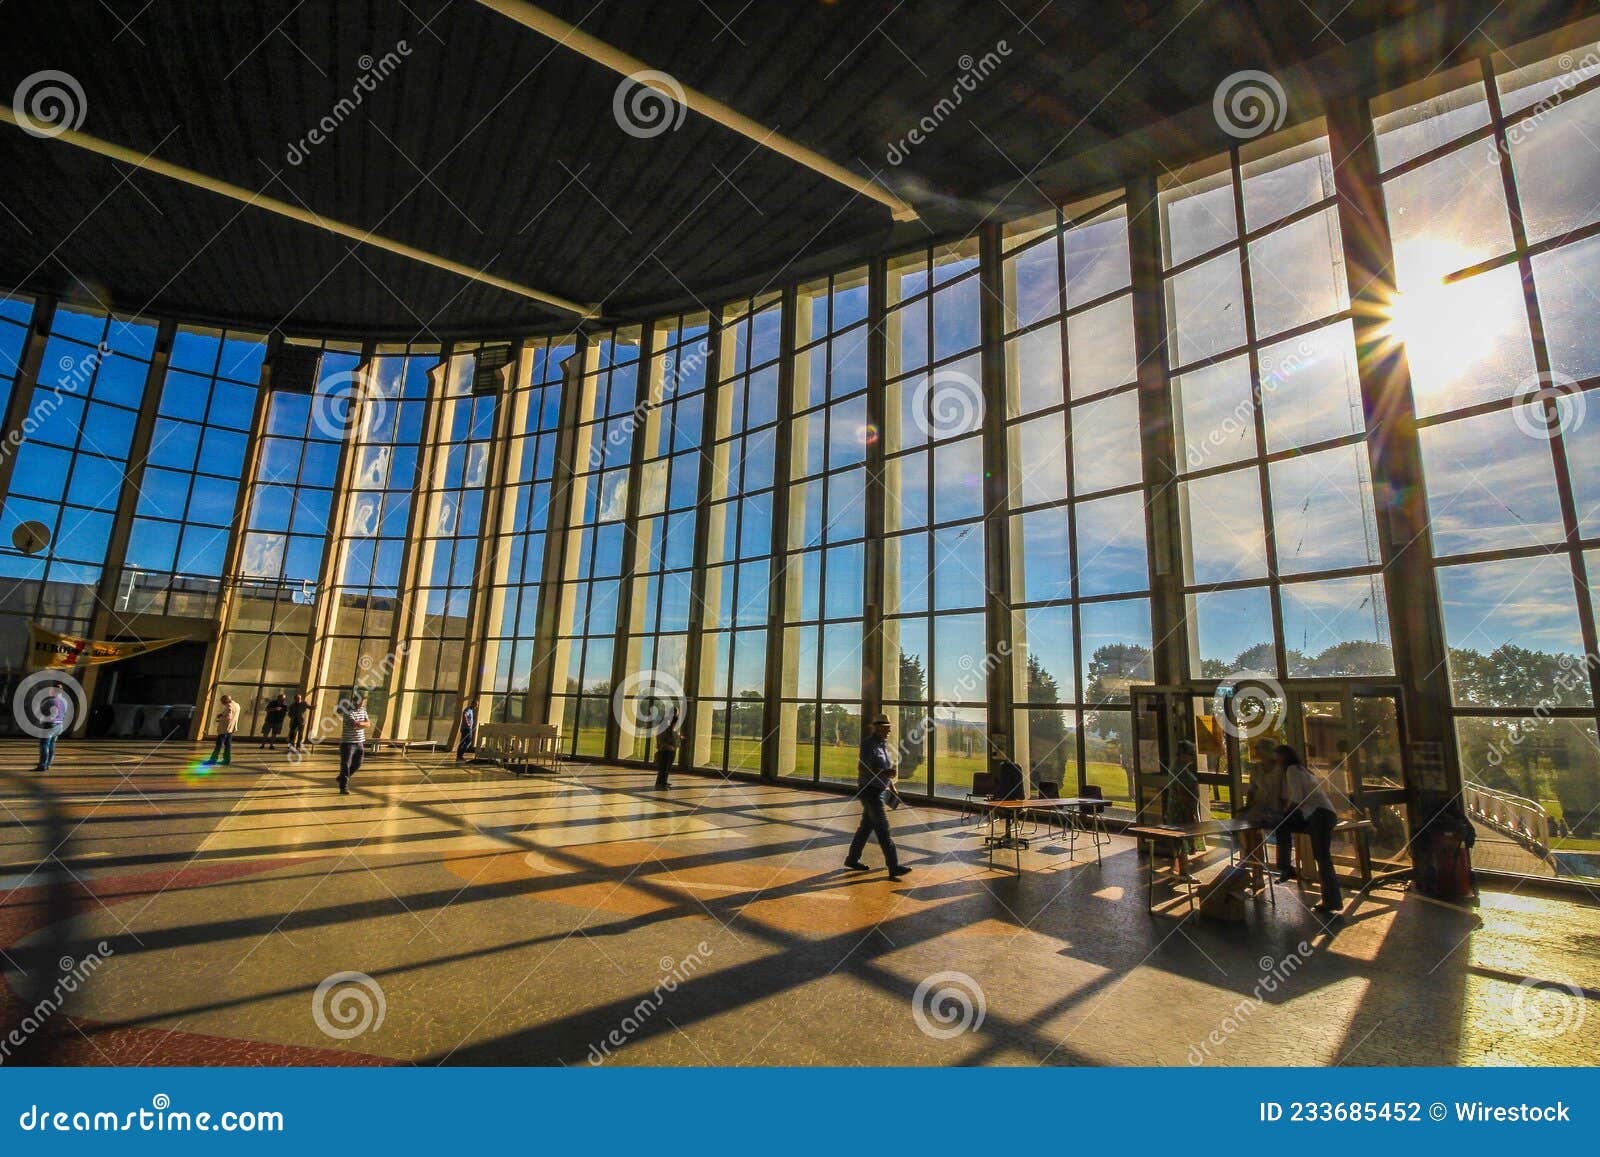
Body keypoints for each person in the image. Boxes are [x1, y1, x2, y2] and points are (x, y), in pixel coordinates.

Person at [1272, 744, 1347, 915]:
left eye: (1278, 757)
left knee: (1322, 857)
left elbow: (1298, 797)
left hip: (1318, 815)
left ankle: (1286, 867)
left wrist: (1286, 812)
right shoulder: (1303, 770)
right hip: (1324, 814)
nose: (1277, 761)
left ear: (1284, 757)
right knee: (1322, 856)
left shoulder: (1291, 770)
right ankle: (1331, 900)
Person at [846, 714, 909, 879]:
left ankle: (852, 859)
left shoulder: (883, 745)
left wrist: (892, 787)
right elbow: (862, 767)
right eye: (887, 728)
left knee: (866, 827)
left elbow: (886, 772)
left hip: (879, 790)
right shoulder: (869, 744)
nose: (889, 731)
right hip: (870, 792)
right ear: (878, 728)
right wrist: (884, 772)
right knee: (883, 828)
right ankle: (893, 866)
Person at [336, 692, 369, 795]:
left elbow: (368, 724)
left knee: (358, 763)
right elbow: (354, 725)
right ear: (356, 701)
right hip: (348, 743)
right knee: (346, 765)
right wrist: (362, 724)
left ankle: (341, 778)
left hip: (359, 742)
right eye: (361, 701)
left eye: (363, 702)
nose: (362, 704)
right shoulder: (348, 711)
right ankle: (343, 787)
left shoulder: (363, 710)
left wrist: (361, 724)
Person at [34, 684, 67, 771]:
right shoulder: (65, 701)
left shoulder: (49, 701)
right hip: (59, 726)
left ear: (53, 690)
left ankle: (42, 765)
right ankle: (48, 764)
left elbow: (39, 712)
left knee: (44, 745)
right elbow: (64, 714)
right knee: (52, 744)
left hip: (49, 726)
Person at [206, 694, 238, 766]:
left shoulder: (229, 706)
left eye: (223, 701)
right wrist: (223, 714)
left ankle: (213, 760)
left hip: (224, 728)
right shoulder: (237, 705)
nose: (222, 703)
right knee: (228, 745)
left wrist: (220, 718)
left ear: (226, 700)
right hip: (231, 728)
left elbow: (228, 717)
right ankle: (227, 760)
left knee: (219, 744)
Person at [654, 709, 680, 789]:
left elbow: (673, 733)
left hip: (671, 749)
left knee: (667, 768)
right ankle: (660, 783)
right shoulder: (665, 722)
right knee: (664, 768)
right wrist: (664, 745)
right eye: (676, 713)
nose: (677, 715)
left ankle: (663, 782)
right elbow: (661, 735)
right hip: (666, 750)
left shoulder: (671, 722)